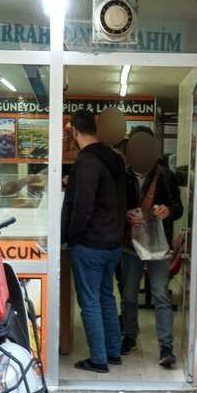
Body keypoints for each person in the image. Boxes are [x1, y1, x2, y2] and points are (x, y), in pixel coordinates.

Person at [61, 108, 127, 374]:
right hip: (112, 242)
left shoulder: (87, 161)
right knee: (106, 298)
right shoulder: (114, 158)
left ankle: (98, 359)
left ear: (75, 131)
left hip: (90, 244)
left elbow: (83, 207)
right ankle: (113, 352)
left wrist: (71, 238)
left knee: (89, 301)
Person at [121, 126, 183, 368]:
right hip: (130, 245)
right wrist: (126, 215)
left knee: (160, 295)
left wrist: (167, 211)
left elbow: (178, 208)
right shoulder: (123, 176)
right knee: (128, 295)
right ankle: (129, 336)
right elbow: (117, 207)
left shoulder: (166, 176)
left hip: (159, 247)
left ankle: (166, 347)